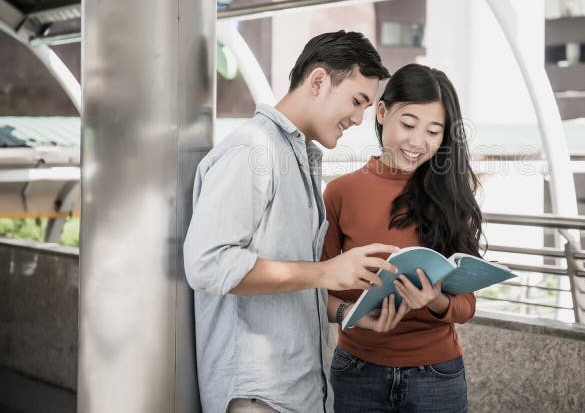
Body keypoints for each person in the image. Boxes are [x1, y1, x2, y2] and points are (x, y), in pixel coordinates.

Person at [184, 31, 406, 413]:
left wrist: (347, 313)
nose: (358, 118)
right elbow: (207, 264)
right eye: (357, 101)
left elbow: (290, 286)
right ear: (318, 81)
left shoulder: (296, 155)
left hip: (293, 393)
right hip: (259, 397)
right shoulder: (252, 150)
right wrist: (327, 272)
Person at [322, 63, 484, 413]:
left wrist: (436, 301)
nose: (417, 142)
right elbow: (319, 294)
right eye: (408, 124)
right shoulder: (339, 193)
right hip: (357, 372)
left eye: (433, 131)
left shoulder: (450, 197)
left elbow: (466, 306)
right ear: (381, 113)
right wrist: (354, 312)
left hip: (437, 377)